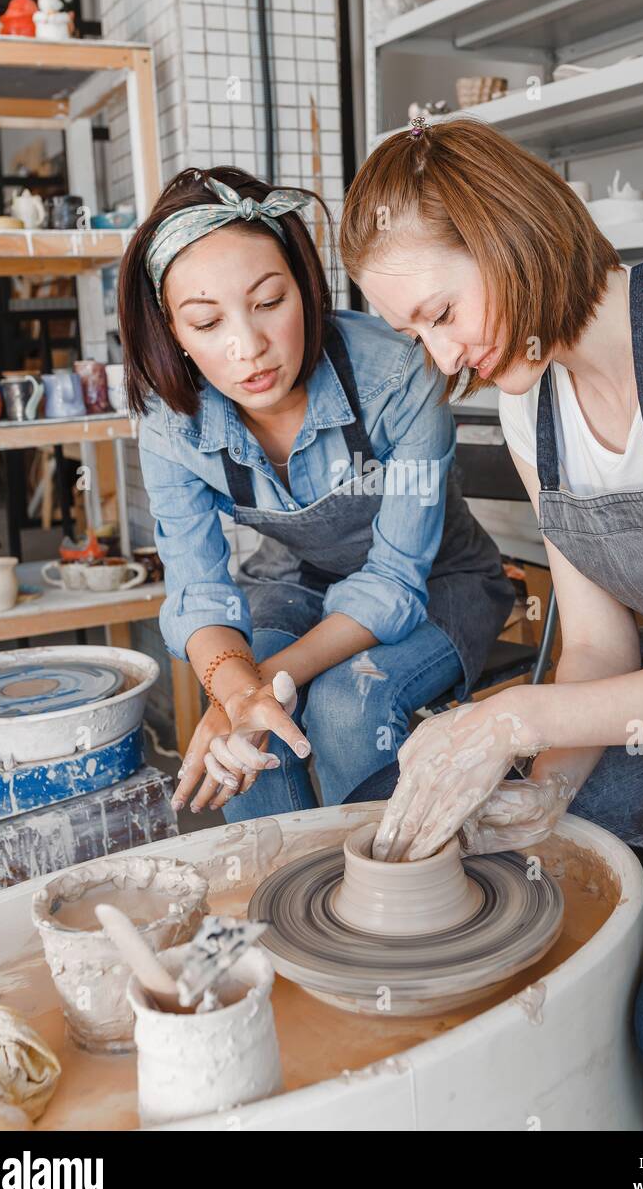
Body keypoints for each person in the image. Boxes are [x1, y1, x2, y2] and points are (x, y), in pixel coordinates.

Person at [338, 115, 643, 1131]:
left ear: (505, 227)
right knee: (393, 814)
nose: (443, 358)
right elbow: (597, 645)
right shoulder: (533, 405)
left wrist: (514, 723)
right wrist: (539, 792)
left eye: (441, 312)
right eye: (415, 334)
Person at [118, 165, 513, 823]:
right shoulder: (170, 424)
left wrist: (257, 686)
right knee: (253, 713)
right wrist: (238, 694)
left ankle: (388, 899)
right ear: (173, 333)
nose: (249, 348)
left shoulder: (397, 373)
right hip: (296, 581)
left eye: (270, 302)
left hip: (439, 578)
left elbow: (392, 580)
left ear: (304, 287)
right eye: (207, 322)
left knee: (340, 701)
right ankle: (280, 895)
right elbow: (198, 593)